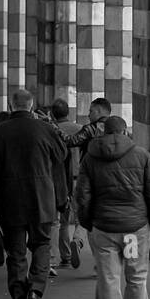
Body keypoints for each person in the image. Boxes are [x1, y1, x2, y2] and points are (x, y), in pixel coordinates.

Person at [75, 115, 150, 299]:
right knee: (136, 275)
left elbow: (82, 196)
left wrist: (87, 222)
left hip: (104, 229)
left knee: (108, 277)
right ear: (125, 132)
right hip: (134, 230)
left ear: (104, 132)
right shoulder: (141, 155)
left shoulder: (90, 158)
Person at [0, 89, 67, 299]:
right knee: (41, 245)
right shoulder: (46, 129)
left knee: (16, 253)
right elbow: (61, 155)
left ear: (11, 106)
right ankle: (36, 289)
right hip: (42, 199)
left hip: (10, 202)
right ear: (31, 106)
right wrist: (51, 126)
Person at [49, 98, 84, 271]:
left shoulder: (50, 131)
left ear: (52, 114)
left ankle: (64, 256)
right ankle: (77, 241)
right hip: (80, 178)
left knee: (60, 221)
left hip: (59, 180)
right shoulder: (79, 129)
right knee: (81, 218)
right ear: (68, 112)